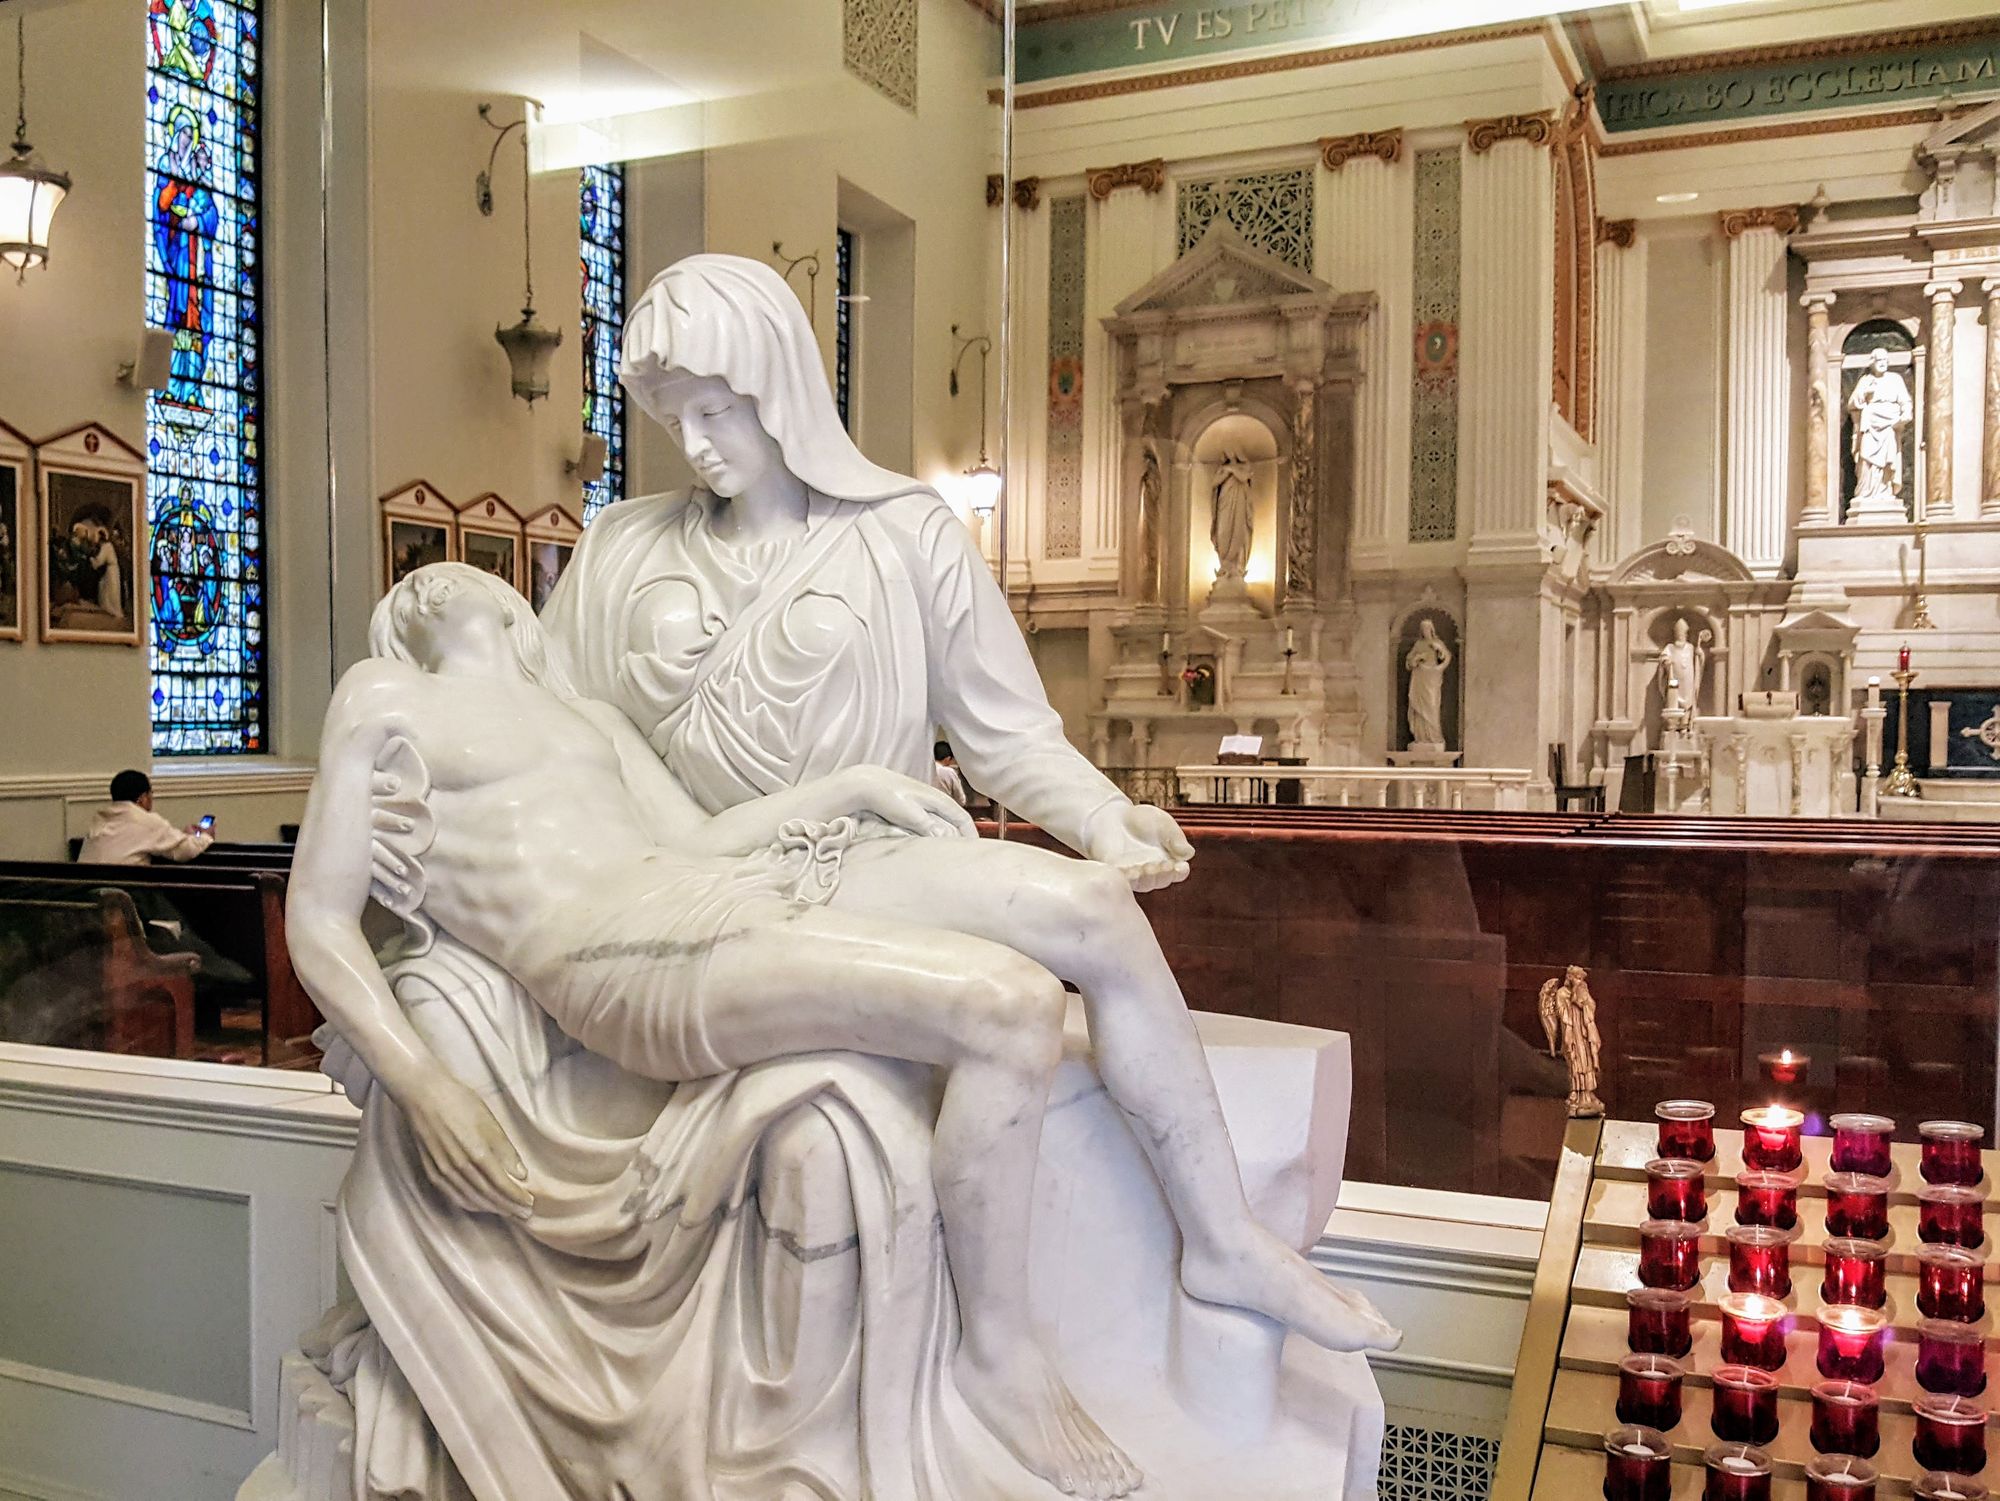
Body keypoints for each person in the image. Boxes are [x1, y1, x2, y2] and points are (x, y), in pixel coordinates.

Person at [300, 562, 1394, 1497]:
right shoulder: (384, 694)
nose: (435, 583)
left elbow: (703, 836)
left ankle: (1223, 1243)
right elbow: (318, 919)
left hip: (706, 898)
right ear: (401, 619)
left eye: (458, 575)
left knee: (1092, 907)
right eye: (414, 582)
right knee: (1008, 1006)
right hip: (612, 959)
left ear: (508, 600)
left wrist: (856, 787)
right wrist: (424, 1082)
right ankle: (998, 1357)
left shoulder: (583, 717)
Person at [77, 769, 214, 864]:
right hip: (125, 896)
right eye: (151, 793)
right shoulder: (146, 821)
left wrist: (180, 836)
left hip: (86, 894)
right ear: (142, 798)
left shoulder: (99, 820)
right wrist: (206, 836)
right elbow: (185, 850)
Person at [931, 738, 969, 806]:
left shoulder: (925, 769)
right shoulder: (948, 772)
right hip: (944, 808)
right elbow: (961, 800)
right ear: (947, 758)